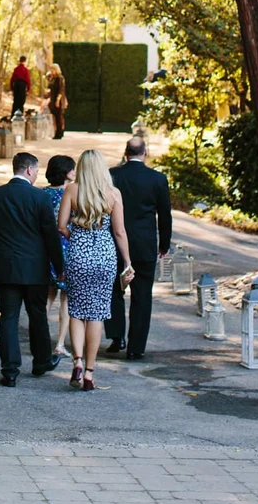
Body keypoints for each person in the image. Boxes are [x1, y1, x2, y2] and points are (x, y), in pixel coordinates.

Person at [0, 150, 65, 386]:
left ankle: (10, 370)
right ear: (29, 170)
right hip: (35, 267)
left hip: (5, 267)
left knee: (8, 317)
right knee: (37, 315)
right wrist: (59, 266)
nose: (37, 175)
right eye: (36, 171)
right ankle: (41, 361)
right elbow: (50, 236)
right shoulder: (40, 198)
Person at [58, 149, 133, 391]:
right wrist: (128, 261)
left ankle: (77, 360)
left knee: (77, 311)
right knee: (97, 314)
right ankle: (89, 373)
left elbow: (60, 226)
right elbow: (120, 232)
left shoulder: (72, 190)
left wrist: (77, 237)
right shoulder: (113, 193)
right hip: (104, 257)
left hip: (79, 255)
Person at [105, 135, 171, 361]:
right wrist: (164, 244)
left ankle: (116, 336)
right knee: (142, 296)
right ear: (145, 154)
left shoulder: (113, 175)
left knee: (114, 290)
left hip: (114, 241)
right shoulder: (157, 179)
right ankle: (136, 348)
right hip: (144, 245)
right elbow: (164, 215)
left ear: (126, 154)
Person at [44, 155, 76, 356]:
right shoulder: (71, 193)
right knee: (66, 299)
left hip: (47, 247)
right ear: (65, 171)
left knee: (47, 296)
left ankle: (39, 339)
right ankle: (60, 344)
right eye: (72, 169)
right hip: (68, 245)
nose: (74, 172)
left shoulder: (42, 193)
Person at [47, 63, 67, 139]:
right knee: (55, 117)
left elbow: (61, 90)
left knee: (59, 117)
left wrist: (58, 100)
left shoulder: (60, 78)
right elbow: (50, 87)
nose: (51, 71)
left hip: (58, 99)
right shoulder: (53, 78)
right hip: (53, 99)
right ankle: (57, 132)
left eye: (52, 69)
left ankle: (59, 133)